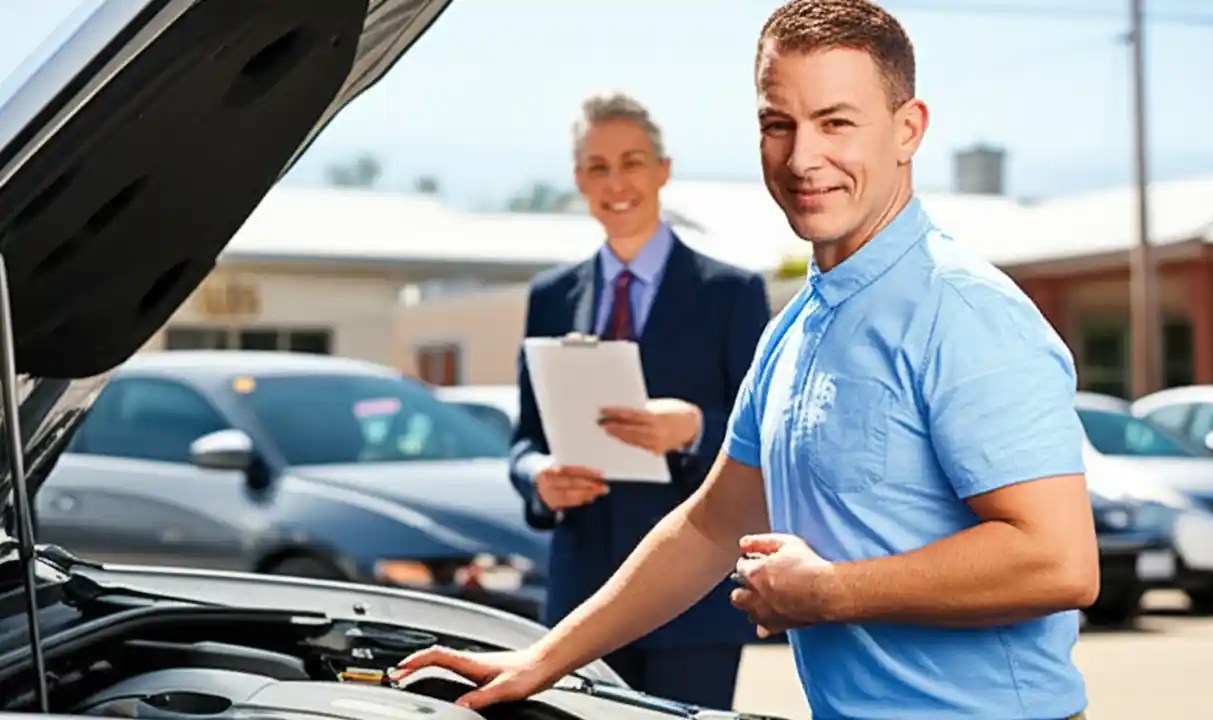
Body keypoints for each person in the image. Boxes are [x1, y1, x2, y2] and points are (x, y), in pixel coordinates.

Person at [394, 2, 1098, 718]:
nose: (801, 159)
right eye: (778, 125)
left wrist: (828, 593)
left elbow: (1057, 560)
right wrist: (540, 659)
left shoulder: (964, 311)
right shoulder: (794, 328)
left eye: (837, 123)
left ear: (908, 129)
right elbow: (710, 525)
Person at [498, 91, 771, 709]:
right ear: (578, 180)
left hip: (692, 600)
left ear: (663, 170)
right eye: (597, 167)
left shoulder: (731, 294)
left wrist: (696, 428)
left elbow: (769, 439)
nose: (615, 182)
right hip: (580, 593)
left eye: (632, 162)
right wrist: (537, 476)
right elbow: (524, 439)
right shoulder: (551, 297)